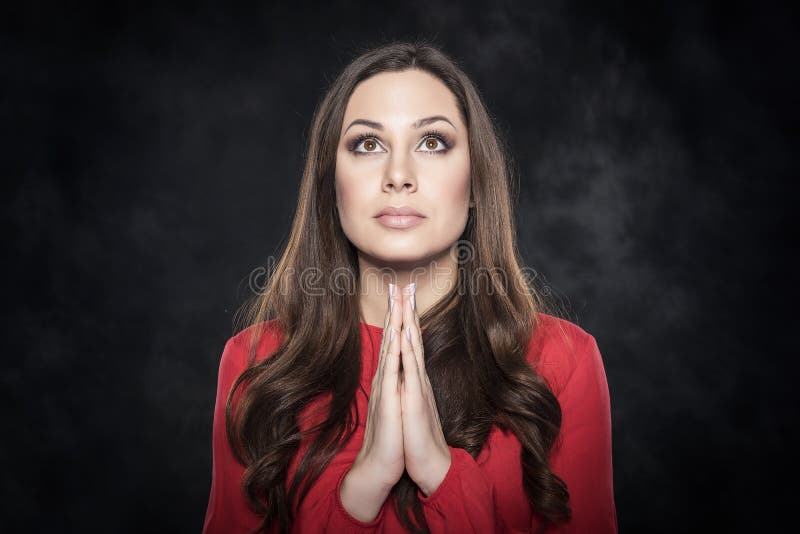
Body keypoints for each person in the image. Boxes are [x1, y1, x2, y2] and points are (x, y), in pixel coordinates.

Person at [202, 41, 617, 534]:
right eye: (368, 144)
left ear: (474, 180)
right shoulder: (255, 361)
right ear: (331, 186)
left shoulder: (563, 360)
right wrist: (365, 485)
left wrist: (441, 474)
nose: (398, 176)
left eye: (433, 142)